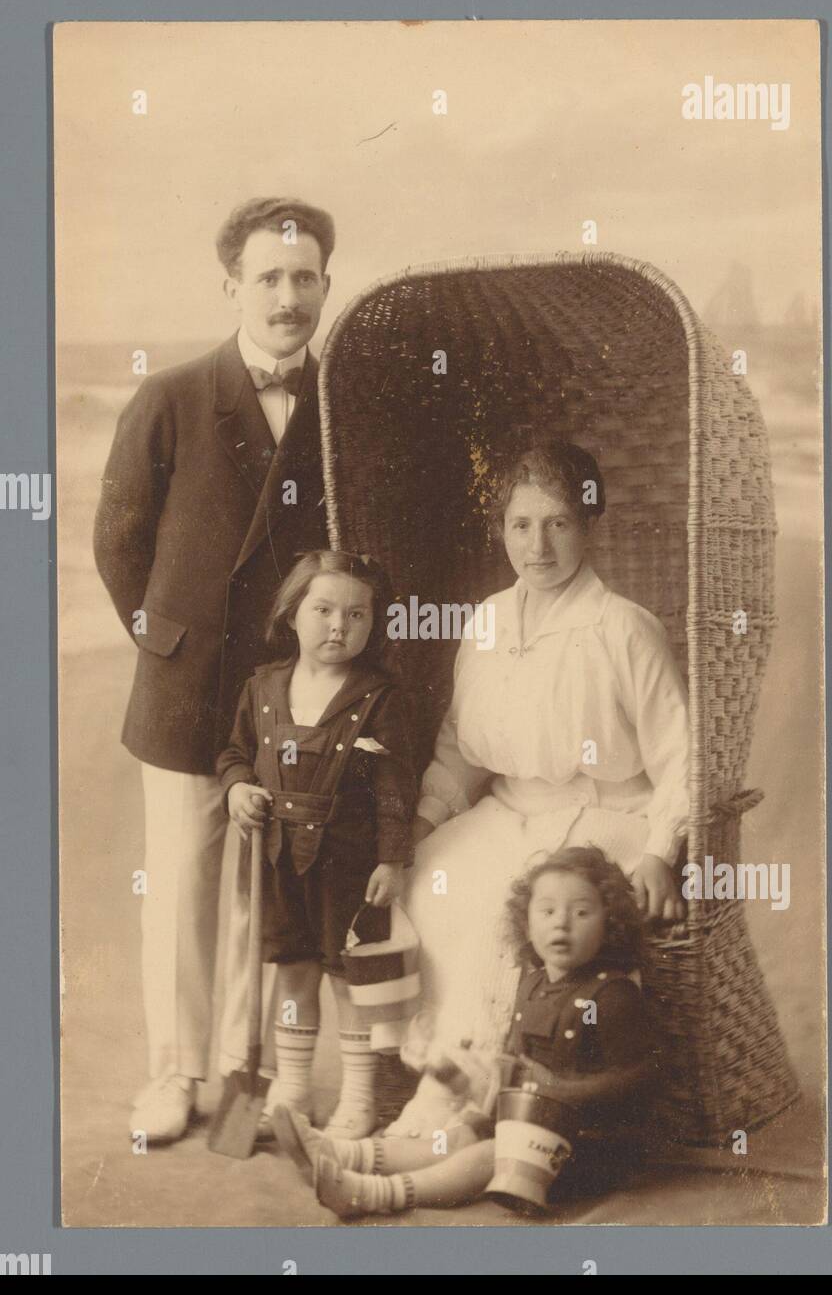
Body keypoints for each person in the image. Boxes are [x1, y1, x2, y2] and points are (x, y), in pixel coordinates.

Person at [93, 197, 335, 1141]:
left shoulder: (335, 407)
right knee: (185, 888)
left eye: (304, 277)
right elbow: (119, 543)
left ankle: (254, 1071)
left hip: (289, 690)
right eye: (269, 278)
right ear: (232, 285)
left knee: (273, 882)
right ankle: (175, 1074)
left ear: (327, 285)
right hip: (189, 689)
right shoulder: (173, 396)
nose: (287, 296)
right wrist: (170, 644)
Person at [383, 437, 690, 1139]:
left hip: (611, 812)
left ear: (588, 526)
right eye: (521, 525)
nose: (538, 545)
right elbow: (462, 744)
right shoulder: (486, 622)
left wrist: (661, 851)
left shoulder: (625, 628)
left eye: (557, 523)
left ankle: (463, 1105)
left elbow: (679, 754)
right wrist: (427, 820)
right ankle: (443, 1077)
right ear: (501, 532)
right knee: (432, 878)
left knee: (512, 901)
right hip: (511, 805)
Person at [275, 846, 658, 1217]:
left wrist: (557, 1092)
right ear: (526, 922)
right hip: (528, 1123)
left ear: (610, 922)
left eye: (581, 912)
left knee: (488, 1154)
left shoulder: (611, 995)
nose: (561, 922)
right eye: (548, 910)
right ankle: (339, 1153)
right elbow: (509, 1074)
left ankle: (374, 1193)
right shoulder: (533, 985)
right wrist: (449, 1072)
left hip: (588, 1146)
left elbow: (636, 1079)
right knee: (458, 1135)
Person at [216, 551, 417, 1138]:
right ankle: (293, 1089)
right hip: (277, 859)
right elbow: (233, 752)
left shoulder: (380, 698)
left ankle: (358, 1097)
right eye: (323, 609)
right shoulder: (263, 688)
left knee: (347, 976)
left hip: (347, 864)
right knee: (293, 973)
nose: (339, 625)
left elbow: (396, 783)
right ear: (291, 614)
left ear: (373, 623)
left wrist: (392, 857)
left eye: (357, 614)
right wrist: (236, 790)